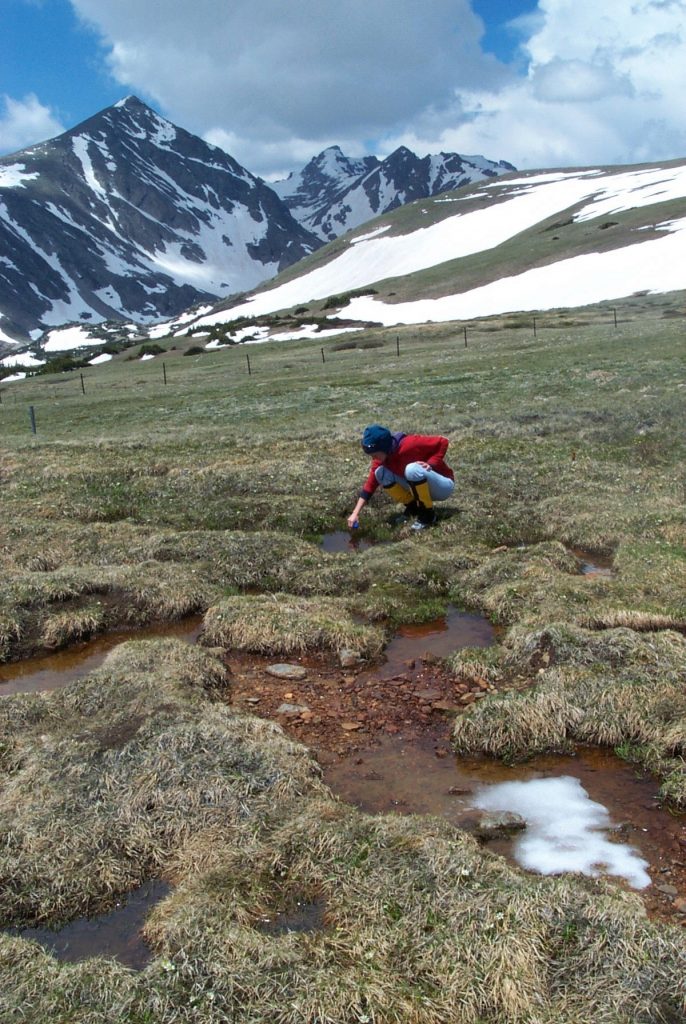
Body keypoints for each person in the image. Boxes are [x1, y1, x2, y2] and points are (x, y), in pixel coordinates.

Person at [347, 424, 455, 532]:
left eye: (375, 454)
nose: (373, 458)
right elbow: (370, 485)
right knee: (380, 473)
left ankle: (428, 516)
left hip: (443, 486)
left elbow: (443, 441)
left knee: (412, 469)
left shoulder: (410, 444)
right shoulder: (381, 459)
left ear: (384, 447)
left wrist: (431, 463)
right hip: (420, 485)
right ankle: (413, 508)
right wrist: (355, 513)